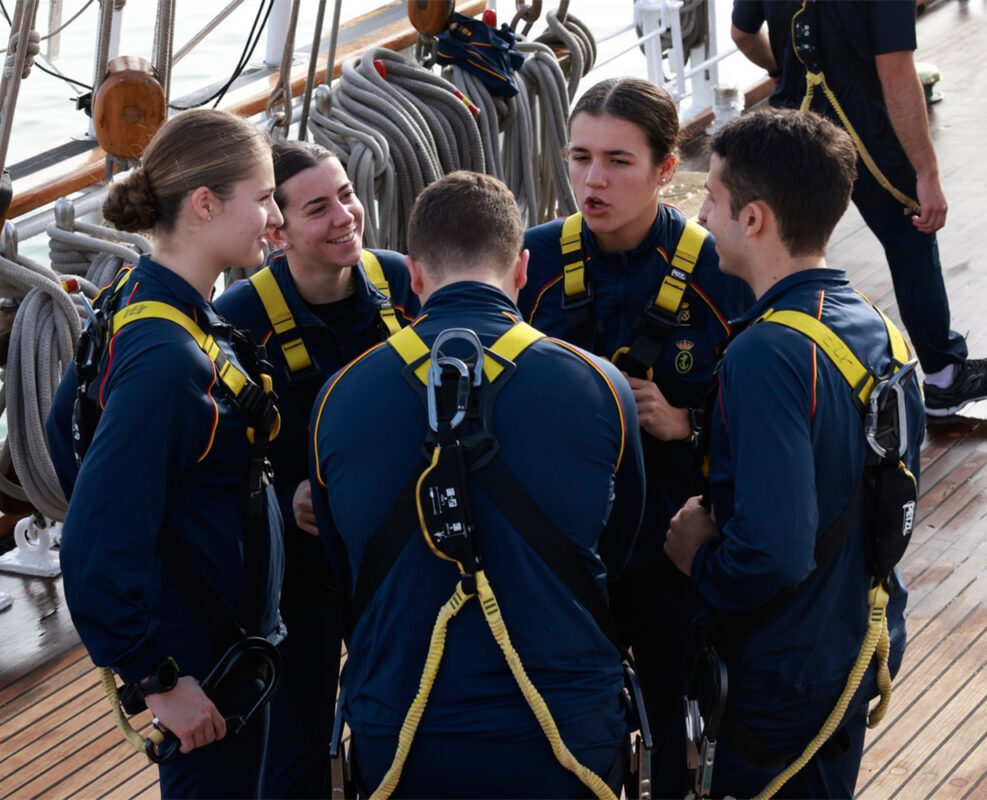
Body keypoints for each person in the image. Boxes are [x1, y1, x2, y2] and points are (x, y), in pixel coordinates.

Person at [310, 171, 646, 797]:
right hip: (564, 735)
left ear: (412, 276)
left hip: (403, 735)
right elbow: (619, 544)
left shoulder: (339, 397)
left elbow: (341, 564)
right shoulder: (599, 385)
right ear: (521, 269)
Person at [666, 107, 924, 798]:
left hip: (785, 670)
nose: (704, 219)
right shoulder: (878, 329)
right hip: (854, 642)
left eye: (713, 201)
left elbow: (775, 552)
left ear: (753, 219)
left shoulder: (768, 353)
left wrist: (699, 556)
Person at [516, 75, 753, 793]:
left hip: (668, 556)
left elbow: (765, 418)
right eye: (579, 157)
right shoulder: (530, 265)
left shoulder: (721, 270)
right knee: (560, 737)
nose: (593, 179)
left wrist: (690, 423)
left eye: (618, 161)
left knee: (676, 725)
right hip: (561, 557)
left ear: (664, 168)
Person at [45, 109, 286, 798]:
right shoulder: (167, 360)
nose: (275, 216)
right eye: (264, 197)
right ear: (206, 205)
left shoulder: (143, 297)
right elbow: (94, 542)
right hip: (205, 672)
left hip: (222, 649)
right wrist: (160, 678)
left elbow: (69, 429)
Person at [213, 139, 419, 799]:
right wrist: (282, 491)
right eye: (318, 208)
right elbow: (216, 457)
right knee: (296, 733)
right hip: (297, 576)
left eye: (348, 196)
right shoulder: (239, 320)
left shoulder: (402, 283)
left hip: (394, 551)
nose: (344, 218)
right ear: (279, 230)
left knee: (401, 710)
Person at [731, 0, 987, 417]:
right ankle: (942, 378)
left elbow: (742, 34)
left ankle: (765, 370)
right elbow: (895, 72)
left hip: (796, 124)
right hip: (868, 132)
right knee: (910, 242)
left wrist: (783, 68)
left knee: (776, 251)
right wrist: (928, 174)